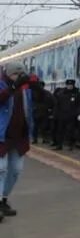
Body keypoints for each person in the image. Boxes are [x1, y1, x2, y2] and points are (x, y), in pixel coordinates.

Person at [0, 60, 34, 220]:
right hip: (2, 136)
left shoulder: (25, 90)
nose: (18, 77)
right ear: (7, 74)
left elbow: (43, 102)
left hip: (19, 137)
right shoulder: (2, 86)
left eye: (21, 74)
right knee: (1, 169)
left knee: (16, 171)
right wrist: (12, 88)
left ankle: (4, 199)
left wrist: (38, 88)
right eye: (15, 74)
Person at [52, 79, 80, 151]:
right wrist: (56, 114)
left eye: (71, 85)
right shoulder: (61, 93)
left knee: (70, 131)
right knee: (60, 131)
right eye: (68, 85)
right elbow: (57, 104)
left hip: (72, 116)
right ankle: (59, 145)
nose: (70, 86)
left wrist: (77, 112)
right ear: (66, 85)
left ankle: (70, 145)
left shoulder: (77, 93)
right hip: (62, 115)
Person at [29, 76, 54, 145]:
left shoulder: (33, 93)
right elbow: (52, 102)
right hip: (42, 112)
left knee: (37, 127)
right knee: (42, 127)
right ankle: (43, 139)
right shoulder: (47, 93)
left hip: (38, 112)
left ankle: (35, 139)